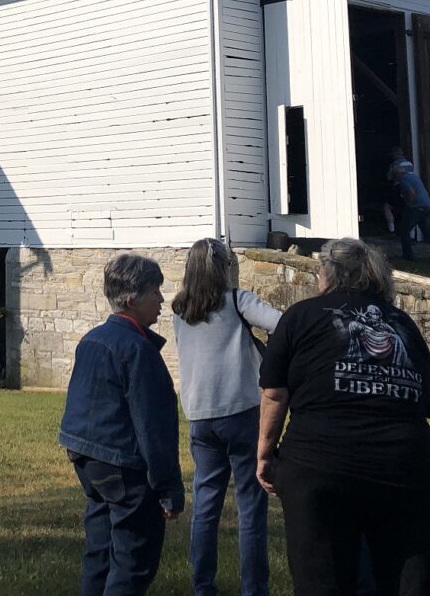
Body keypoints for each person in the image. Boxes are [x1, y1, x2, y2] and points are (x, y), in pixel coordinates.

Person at [257, 238, 430, 595]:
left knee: (322, 579)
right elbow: (422, 402)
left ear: (327, 273)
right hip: (404, 462)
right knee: (410, 578)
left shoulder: (301, 316)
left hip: (319, 461)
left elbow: (274, 393)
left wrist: (265, 452)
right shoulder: (403, 323)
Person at [58, 253, 184, 596]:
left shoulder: (93, 339)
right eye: (155, 292)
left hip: (86, 457)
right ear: (132, 299)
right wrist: (168, 489)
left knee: (100, 551)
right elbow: (154, 427)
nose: (162, 299)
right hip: (122, 464)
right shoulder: (137, 350)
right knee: (133, 559)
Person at [172, 238, 282, 596]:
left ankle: (202, 586)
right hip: (242, 410)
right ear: (223, 268)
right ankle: (254, 589)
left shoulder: (179, 309)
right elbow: (281, 324)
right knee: (251, 507)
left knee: (205, 505)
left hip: (200, 413)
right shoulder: (238, 301)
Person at [389, 149, 430, 266]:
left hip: (416, 207)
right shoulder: (414, 176)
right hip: (427, 205)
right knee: (429, 233)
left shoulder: (403, 179)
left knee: (404, 230)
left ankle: (408, 255)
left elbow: (411, 193)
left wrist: (408, 203)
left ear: (397, 174)